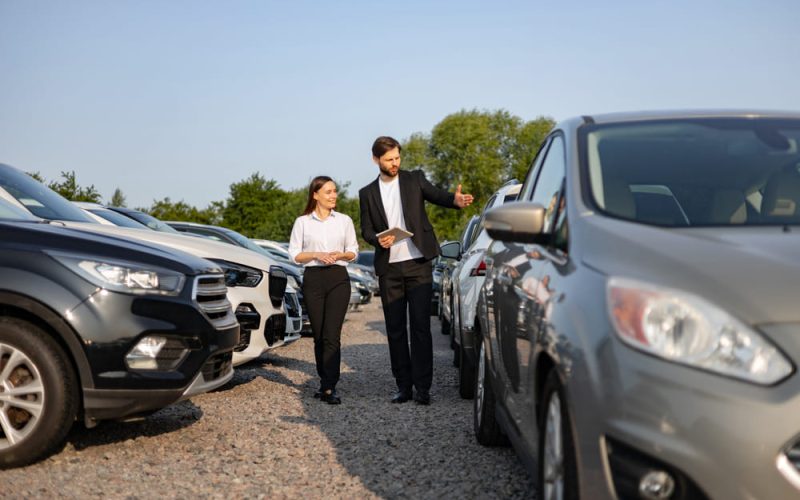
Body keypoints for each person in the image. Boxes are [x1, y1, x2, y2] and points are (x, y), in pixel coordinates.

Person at [359, 136, 473, 405]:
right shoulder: (367, 193)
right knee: (395, 330)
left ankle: (423, 388)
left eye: (397, 157)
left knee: (421, 327)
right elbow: (366, 229)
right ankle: (403, 387)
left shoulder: (414, 179)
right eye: (389, 159)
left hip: (418, 263)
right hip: (389, 268)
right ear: (376, 160)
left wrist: (454, 200)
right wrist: (377, 239)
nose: (395, 163)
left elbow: (438, 195)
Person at [289, 176, 358, 405]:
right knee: (318, 336)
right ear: (315, 195)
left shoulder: (344, 220)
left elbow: (353, 251)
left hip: (338, 278)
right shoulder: (302, 222)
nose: (333, 195)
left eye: (335, 191)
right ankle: (323, 381)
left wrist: (341, 254)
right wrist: (316, 254)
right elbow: (295, 254)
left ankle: (330, 386)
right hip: (313, 278)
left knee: (331, 335)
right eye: (328, 192)